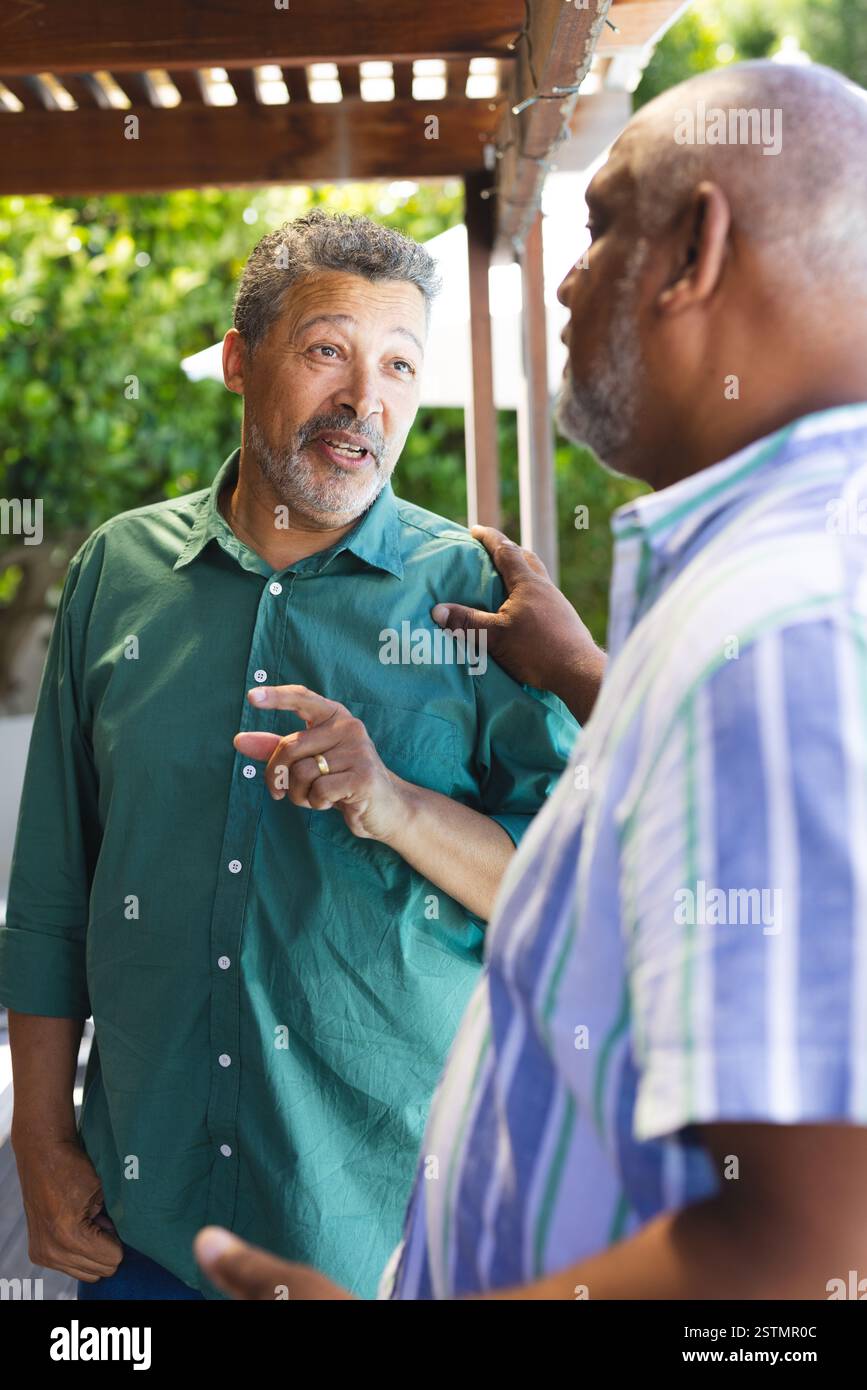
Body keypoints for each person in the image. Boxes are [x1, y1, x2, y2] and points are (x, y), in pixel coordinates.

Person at [193, 59, 867, 1300]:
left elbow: (813, 1247)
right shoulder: (764, 599)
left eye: (602, 225)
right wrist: (593, 678)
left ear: (694, 252)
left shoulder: (775, 627)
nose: (564, 274)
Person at [0, 211, 576, 1300]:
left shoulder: (480, 602)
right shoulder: (117, 573)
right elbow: (50, 892)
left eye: (400, 365)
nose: (367, 401)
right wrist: (37, 1133)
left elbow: (570, 892)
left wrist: (393, 801)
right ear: (238, 358)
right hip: (144, 1227)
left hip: (394, 1234)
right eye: (328, 351)